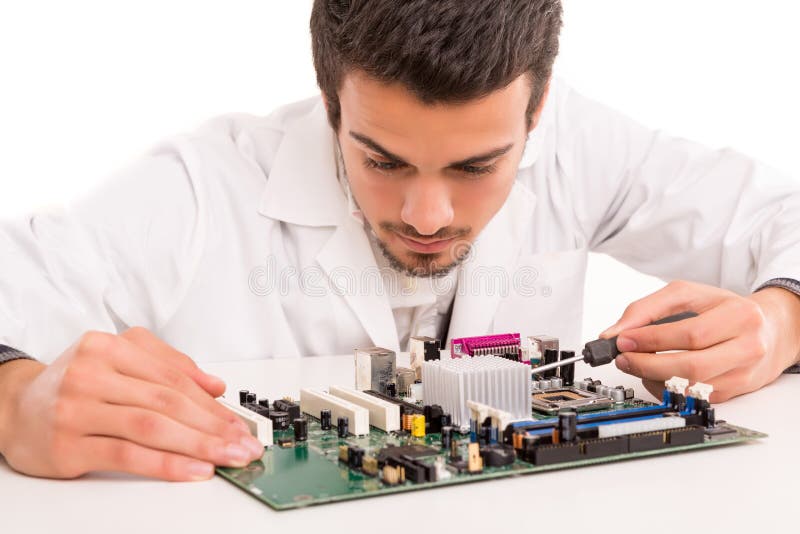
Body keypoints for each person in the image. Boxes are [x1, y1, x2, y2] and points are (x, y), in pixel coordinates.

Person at [0, 0, 798, 482]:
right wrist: (12, 402)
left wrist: (778, 321)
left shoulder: (583, 146)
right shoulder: (202, 187)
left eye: (478, 164)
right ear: (330, 100)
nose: (426, 215)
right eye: (381, 159)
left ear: (539, 106)